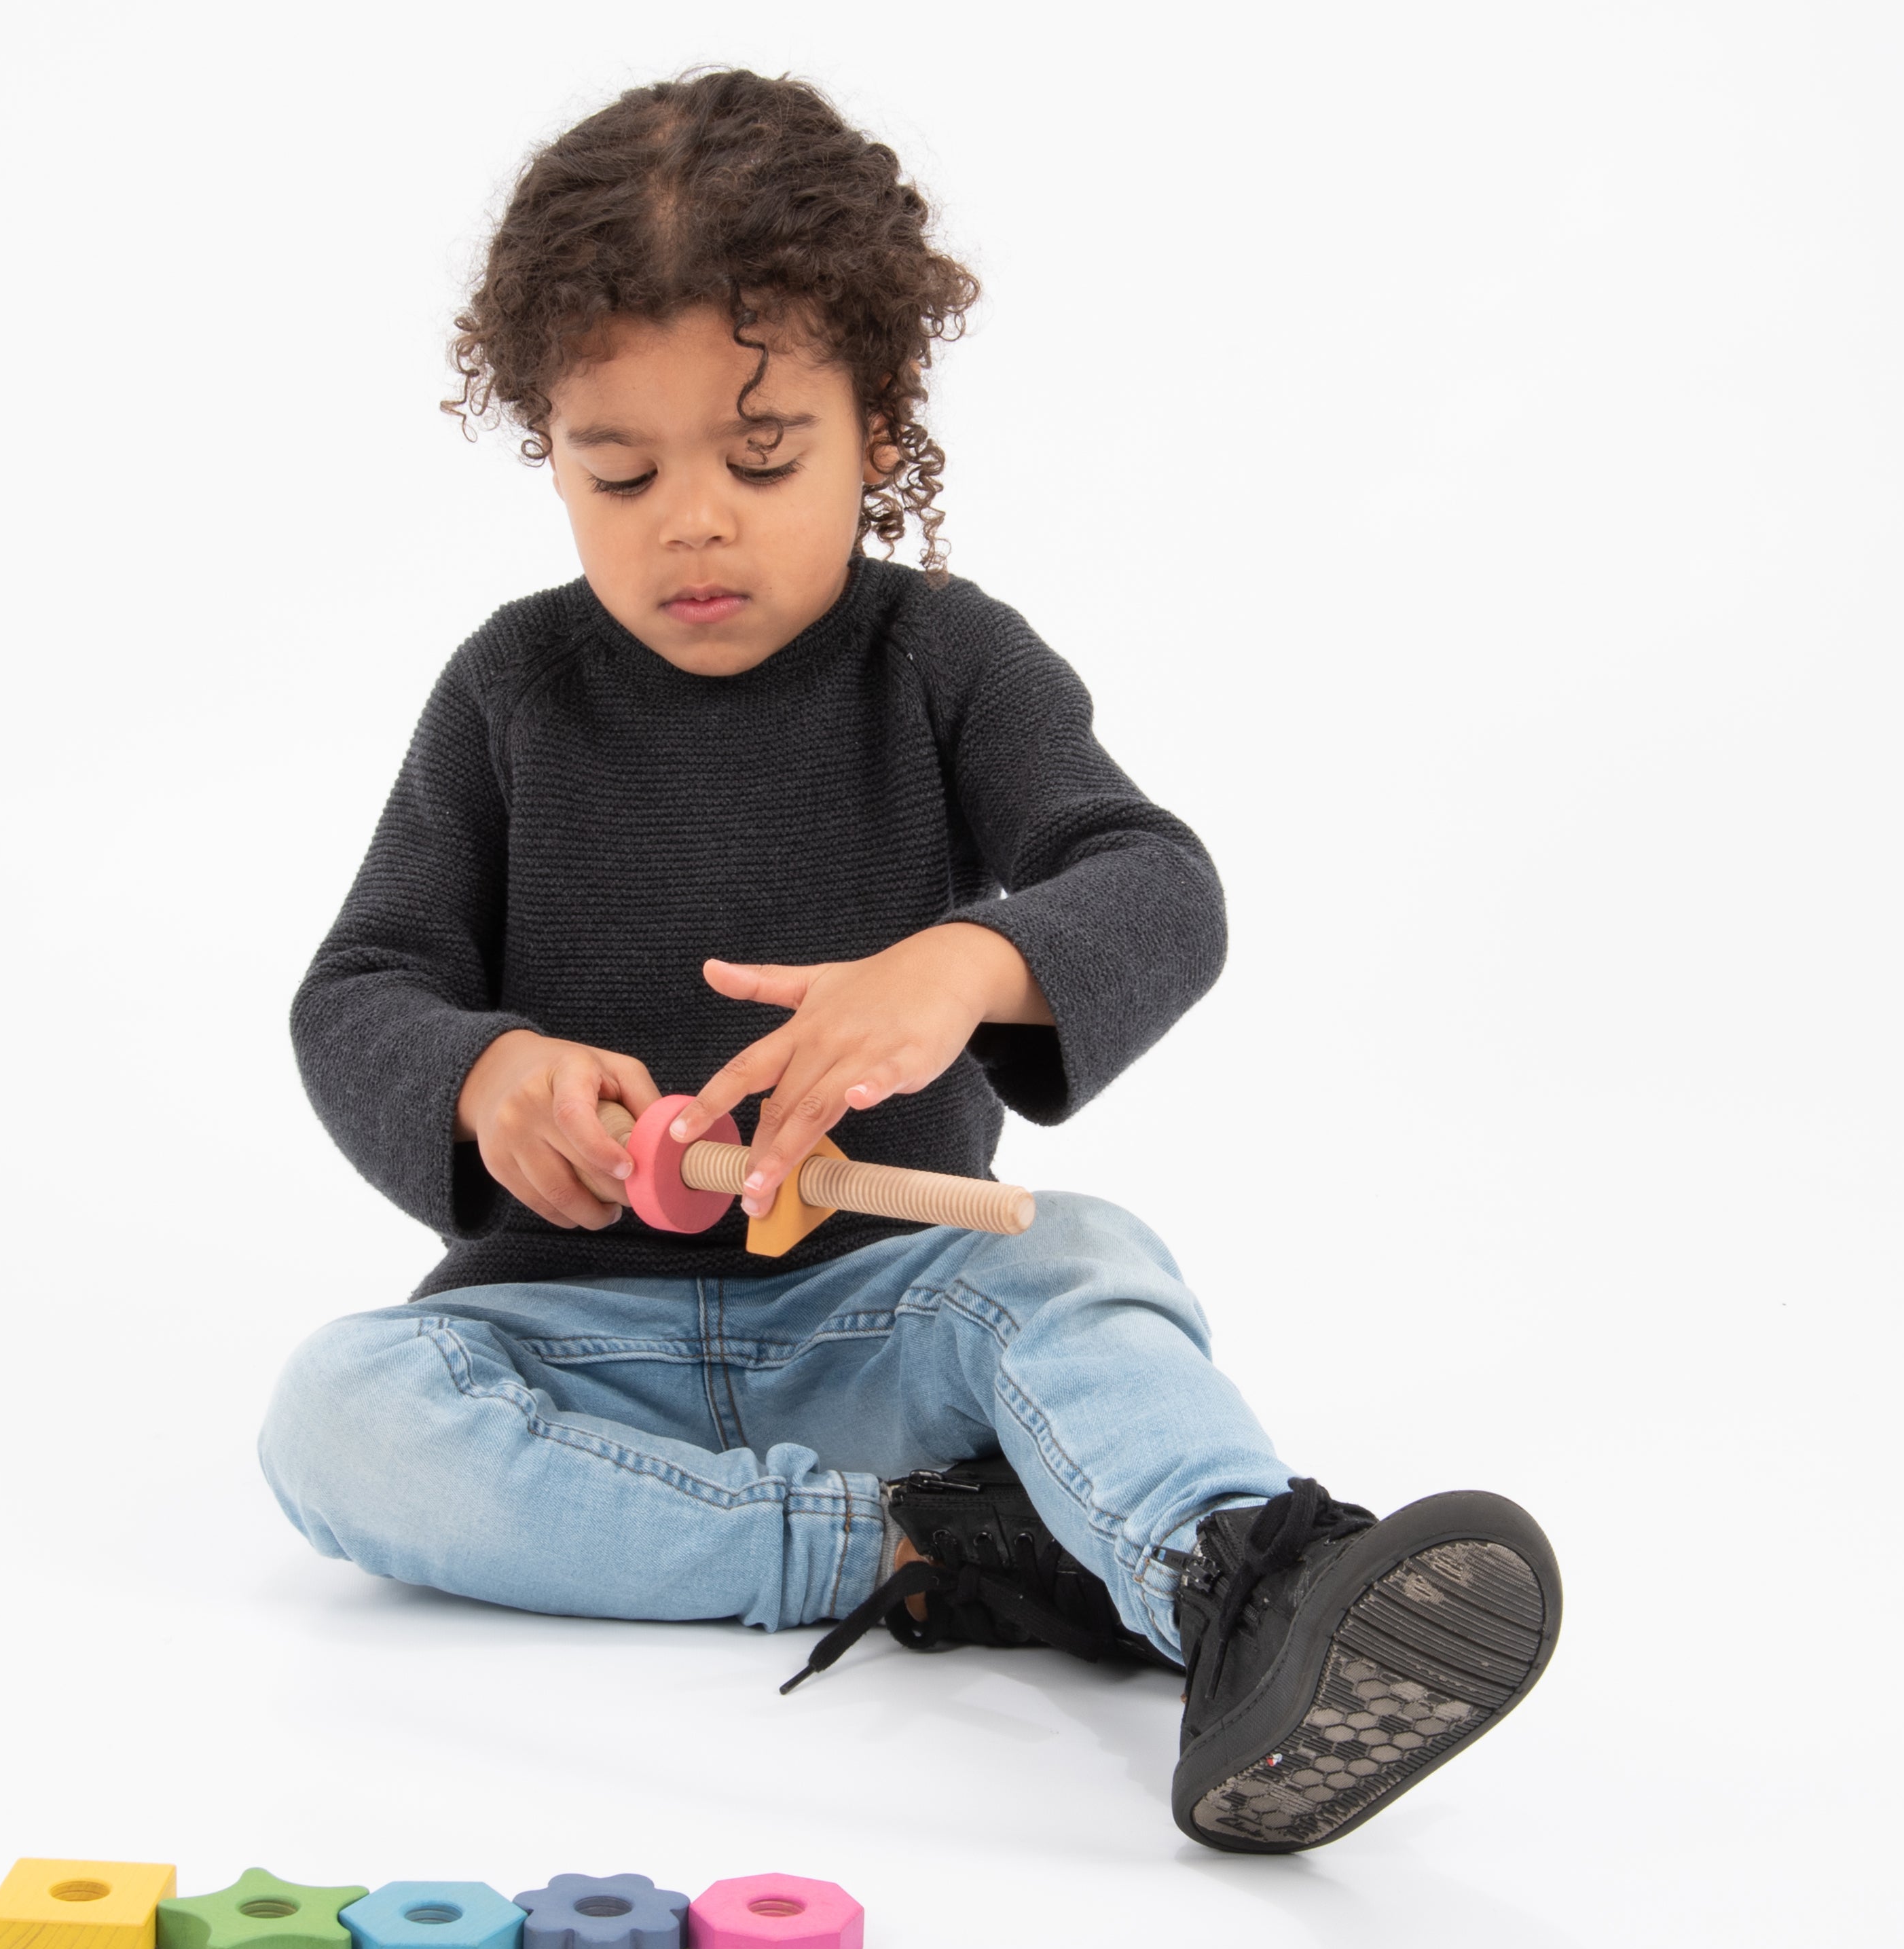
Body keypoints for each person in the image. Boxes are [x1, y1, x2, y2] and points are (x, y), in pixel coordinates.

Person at [261, 67, 1560, 1854]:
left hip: (880, 1314)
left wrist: (962, 965)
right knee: (342, 1415)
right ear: (547, 443)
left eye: (763, 453)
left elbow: (1157, 885)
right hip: (571, 1339)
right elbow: (362, 989)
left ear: (880, 424)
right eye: (616, 468)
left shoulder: (946, 662)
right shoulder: (510, 692)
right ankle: (920, 1549)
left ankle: (1250, 1591)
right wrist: (480, 1076)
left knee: (1093, 1261)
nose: (691, 518)